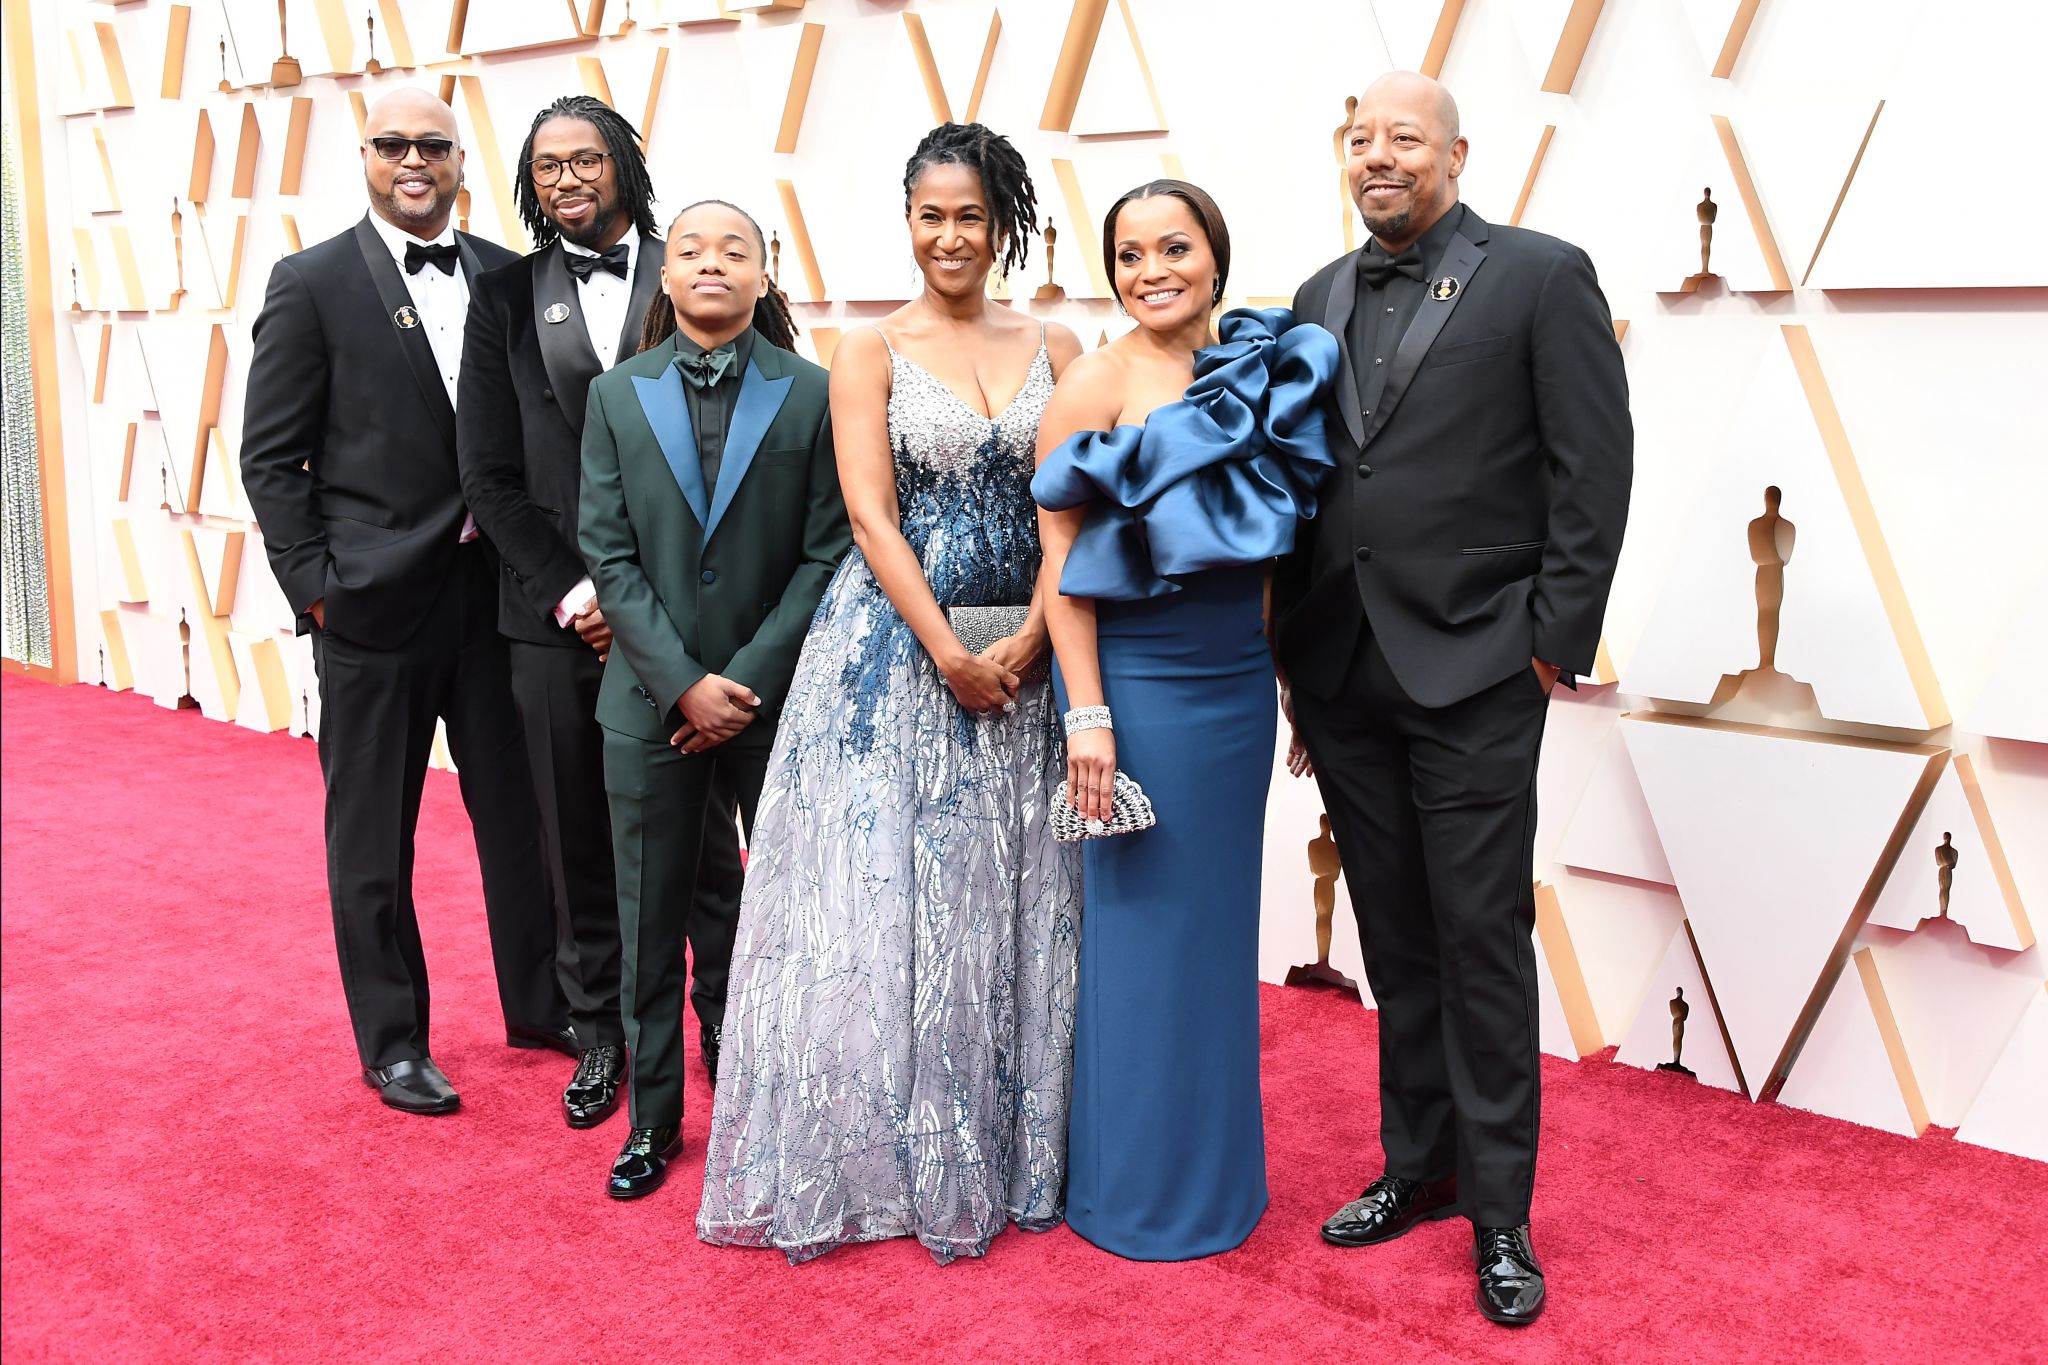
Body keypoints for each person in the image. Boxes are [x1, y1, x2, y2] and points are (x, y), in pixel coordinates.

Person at [1275, 72, 1632, 1326]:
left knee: (1479, 939)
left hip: (1479, 663)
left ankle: (1498, 1214)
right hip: (1342, 669)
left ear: (1455, 153)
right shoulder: (1315, 295)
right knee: (1394, 936)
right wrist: (1292, 663)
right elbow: (1306, 485)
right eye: (1358, 137)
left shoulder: (1539, 274)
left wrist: (1547, 646)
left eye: (1402, 138)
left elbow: (1592, 467)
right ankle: (1416, 1165)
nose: (1378, 156)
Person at [698, 124, 1082, 1264]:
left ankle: (1012, 1146)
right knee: (900, 900)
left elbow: (1072, 504)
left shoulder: (1060, 343)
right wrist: (949, 651)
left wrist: (1033, 632)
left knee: (1012, 893)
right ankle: (896, 1155)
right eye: (930, 216)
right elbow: (870, 517)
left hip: (1033, 646)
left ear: (1001, 224)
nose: (949, 237)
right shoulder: (866, 349)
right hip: (894, 658)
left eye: (970, 216)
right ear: (906, 221)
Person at [239, 88, 566, 1115]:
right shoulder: (311, 281)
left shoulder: (510, 275)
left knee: (522, 820)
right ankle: (392, 1042)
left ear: (461, 161)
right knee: (374, 838)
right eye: (392, 144)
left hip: (497, 598)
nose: (413, 160)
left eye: (433, 145)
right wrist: (317, 590)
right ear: (366, 157)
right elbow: (270, 459)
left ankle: (541, 1003)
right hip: (373, 608)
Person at [1032, 180, 1339, 1260]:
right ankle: (1131, 1193)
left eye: (1173, 247)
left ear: (1214, 256)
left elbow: (1271, 551)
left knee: (1214, 940)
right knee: (1141, 938)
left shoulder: (1253, 367)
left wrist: (1287, 678)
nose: (1151, 270)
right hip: (1137, 687)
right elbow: (1060, 560)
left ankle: (1215, 1182)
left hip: (1236, 690)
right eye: (1129, 254)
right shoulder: (1095, 381)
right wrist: (1087, 715)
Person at [456, 95, 746, 1131]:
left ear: (623, 162)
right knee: (573, 835)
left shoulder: (696, 265)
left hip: (682, 619)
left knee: (703, 843)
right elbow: (488, 475)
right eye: (547, 167)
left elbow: (744, 452)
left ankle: (726, 1017)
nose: (566, 180)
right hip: (554, 618)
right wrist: (577, 592)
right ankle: (599, 1034)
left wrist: (649, 607)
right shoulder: (502, 296)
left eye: (585, 160)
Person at [578, 198, 847, 1199]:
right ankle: (652, 1121)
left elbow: (828, 551)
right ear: (666, 274)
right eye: (690, 249)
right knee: (648, 922)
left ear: (763, 276)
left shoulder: (813, 393)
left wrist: (745, 679)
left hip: (772, 704)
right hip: (648, 704)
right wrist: (681, 685)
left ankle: (784, 1106)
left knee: (787, 915)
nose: (711, 263)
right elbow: (606, 554)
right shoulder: (615, 394)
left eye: (735, 251)